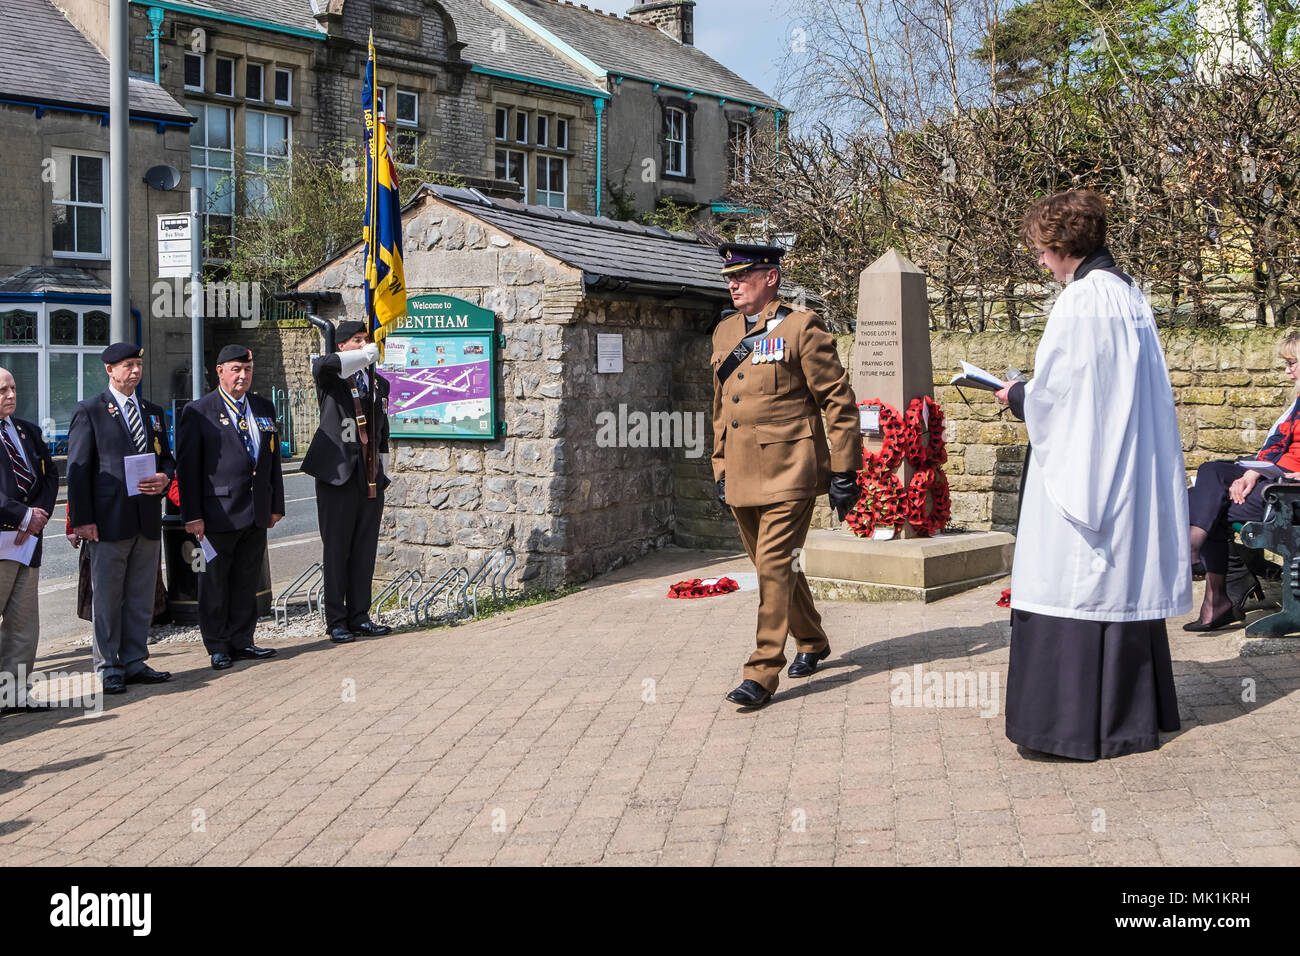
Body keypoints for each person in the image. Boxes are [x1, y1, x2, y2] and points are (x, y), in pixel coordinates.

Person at [995, 188, 1189, 760]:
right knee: (1119, 585)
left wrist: (1019, 395)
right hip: (1126, 468)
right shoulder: (1128, 294)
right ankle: (1131, 716)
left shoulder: (1081, 302)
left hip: (1089, 477)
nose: (1038, 260)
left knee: (1077, 580)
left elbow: (1067, 396)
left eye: (1039, 249)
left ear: (1060, 245)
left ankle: (1070, 725)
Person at [710, 243, 863, 709]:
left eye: (743, 275)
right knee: (773, 566)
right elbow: (721, 409)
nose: (733, 284)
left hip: (790, 470)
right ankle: (813, 640)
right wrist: (719, 465)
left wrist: (845, 470)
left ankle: (761, 671)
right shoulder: (723, 333)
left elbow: (837, 401)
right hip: (740, 471)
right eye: (729, 277)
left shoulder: (801, 326)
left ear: (770, 277)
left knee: (774, 565)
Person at [66, 342, 174, 694]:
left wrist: (165, 478)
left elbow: (167, 459)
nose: (135, 371)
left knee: (141, 593)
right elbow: (78, 472)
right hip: (108, 519)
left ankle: (134, 659)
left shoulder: (153, 412)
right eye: (127, 366)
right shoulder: (91, 411)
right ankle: (108, 664)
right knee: (108, 597)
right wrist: (82, 520)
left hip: (145, 515)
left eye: (137, 365)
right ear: (109, 370)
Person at [1184, 330, 1300, 631]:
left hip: (1288, 494)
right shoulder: (1297, 403)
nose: (1287, 370)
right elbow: (1273, 447)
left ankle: (1215, 594)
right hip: (1271, 480)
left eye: (1292, 362)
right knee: (1212, 471)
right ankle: (1208, 576)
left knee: (1199, 503)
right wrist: (1251, 472)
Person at [177, 345, 284, 671]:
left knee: (245, 579)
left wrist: (276, 503)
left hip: (255, 510)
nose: (242, 376)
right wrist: (192, 515)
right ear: (219, 371)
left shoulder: (263, 407)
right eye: (235, 369)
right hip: (217, 513)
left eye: (247, 370)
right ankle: (218, 645)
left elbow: (273, 459)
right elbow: (188, 468)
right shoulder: (200, 411)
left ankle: (243, 640)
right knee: (214, 581)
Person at [301, 319, 393, 644]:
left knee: (364, 549)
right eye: (356, 340)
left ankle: (360, 615)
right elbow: (322, 362)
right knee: (337, 550)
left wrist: (382, 471)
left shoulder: (379, 384)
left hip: (368, 477)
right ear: (342, 346)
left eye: (367, 340)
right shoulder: (331, 378)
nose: (364, 345)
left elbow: (382, 435)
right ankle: (336, 620)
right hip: (336, 475)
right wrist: (365, 356)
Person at [0, 368, 56, 711]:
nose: (10, 394)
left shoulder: (27, 431)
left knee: (23, 622)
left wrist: (38, 515)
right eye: (2, 389)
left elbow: (50, 477)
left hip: (27, 542)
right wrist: (21, 516)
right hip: (4, 535)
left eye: (13, 387)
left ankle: (14, 692)